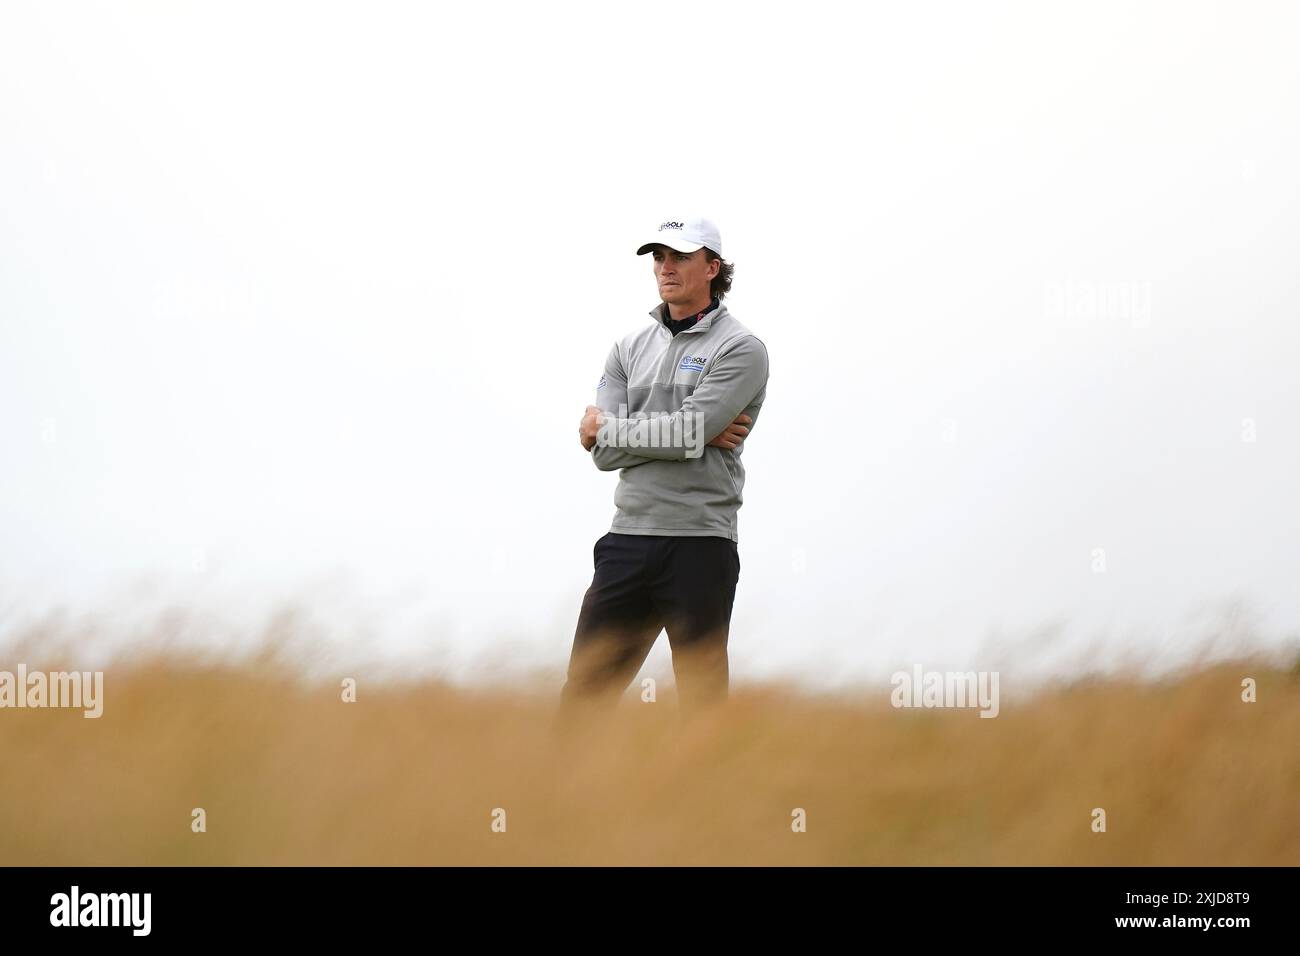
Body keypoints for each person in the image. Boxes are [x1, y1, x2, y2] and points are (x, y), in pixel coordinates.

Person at [555, 215, 769, 731]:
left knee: (701, 702)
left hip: (700, 543)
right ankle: (565, 786)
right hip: (627, 541)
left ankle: (706, 787)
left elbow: (677, 433)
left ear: (712, 267)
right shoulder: (627, 348)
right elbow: (605, 456)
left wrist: (615, 428)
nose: (665, 267)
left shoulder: (742, 348)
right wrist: (685, 434)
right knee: (583, 696)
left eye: (680, 257)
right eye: (658, 257)